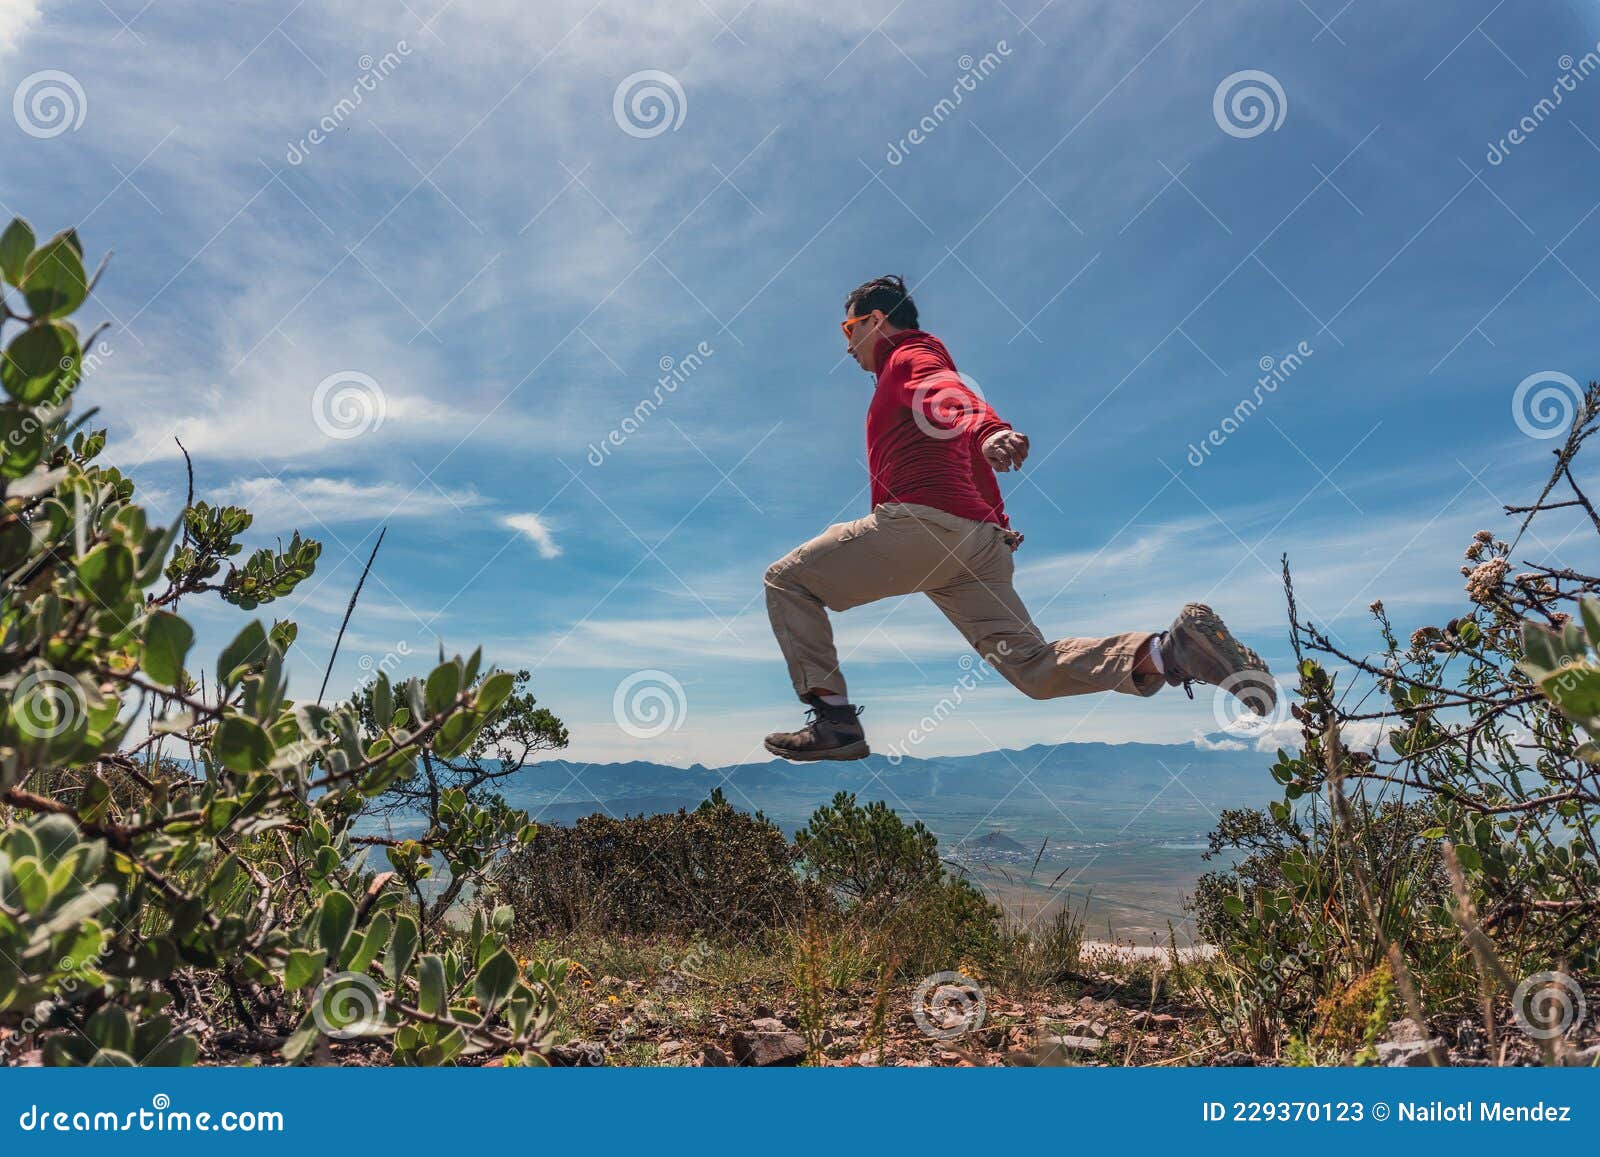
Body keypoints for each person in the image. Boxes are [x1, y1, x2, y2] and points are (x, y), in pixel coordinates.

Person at [761, 274, 1276, 761]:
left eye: (849, 330)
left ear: (875, 321)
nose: (847, 346)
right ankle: (1172, 652)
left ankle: (834, 721)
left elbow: (946, 395)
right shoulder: (905, 372)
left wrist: (987, 430)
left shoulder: (907, 357)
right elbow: (958, 448)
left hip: (922, 531)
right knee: (1034, 669)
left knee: (786, 582)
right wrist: (995, 522)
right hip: (974, 548)